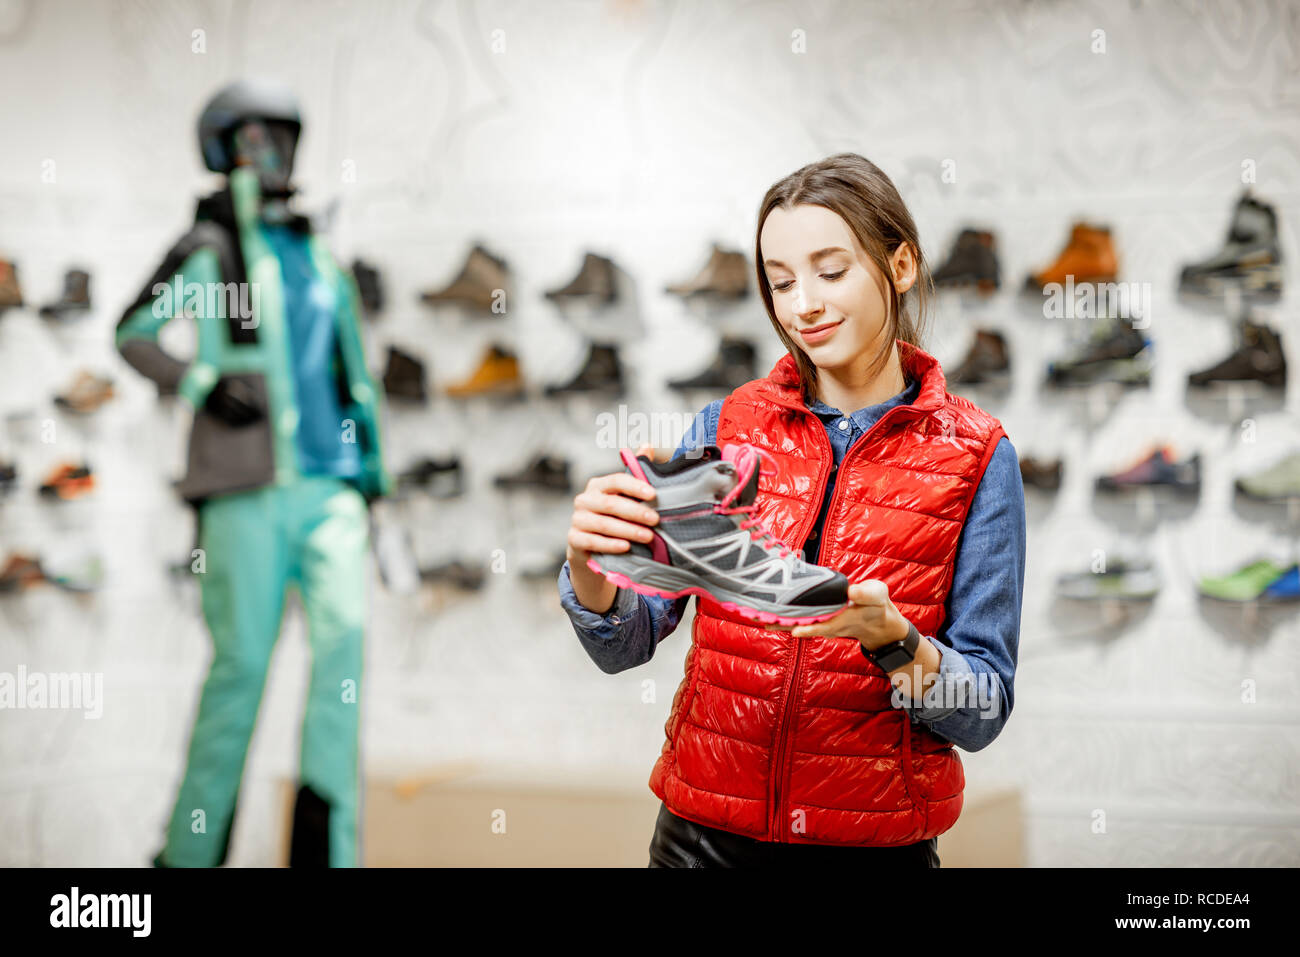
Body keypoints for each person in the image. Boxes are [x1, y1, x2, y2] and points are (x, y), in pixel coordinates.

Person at [559, 153, 1025, 867]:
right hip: (697, 841)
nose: (802, 303)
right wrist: (589, 569)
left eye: (830, 272)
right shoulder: (725, 426)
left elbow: (984, 709)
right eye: (780, 281)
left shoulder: (979, 457)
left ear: (900, 266)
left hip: (873, 850)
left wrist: (896, 640)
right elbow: (626, 643)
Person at [116, 78, 390, 867]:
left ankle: (325, 856)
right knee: (240, 668)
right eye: (252, 137)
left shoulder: (318, 255)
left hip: (333, 486)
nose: (269, 152)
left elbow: (347, 369)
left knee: (342, 666)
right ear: (226, 148)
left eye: (281, 136)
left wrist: (372, 474)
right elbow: (132, 332)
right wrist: (199, 383)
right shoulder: (207, 246)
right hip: (243, 489)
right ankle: (187, 855)